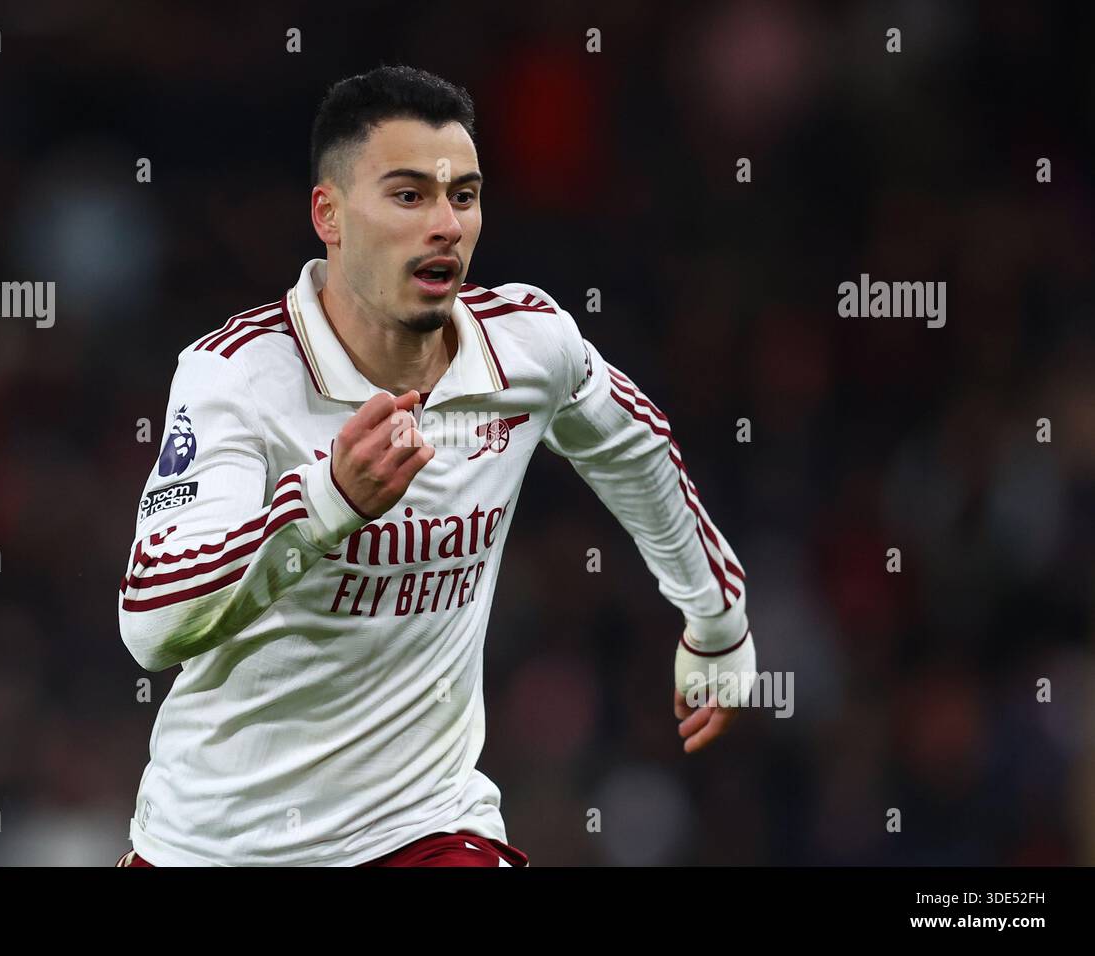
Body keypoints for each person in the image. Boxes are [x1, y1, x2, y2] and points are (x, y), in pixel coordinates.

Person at [115, 65, 755, 867]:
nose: (447, 225)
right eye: (410, 195)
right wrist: (326, 502)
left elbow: (639, 451)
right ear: (330, 214)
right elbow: (152, 624)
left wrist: (717, 622)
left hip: (421, 829)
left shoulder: (528, 348)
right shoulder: (236, 375)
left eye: (464, 195)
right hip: (213, 844)